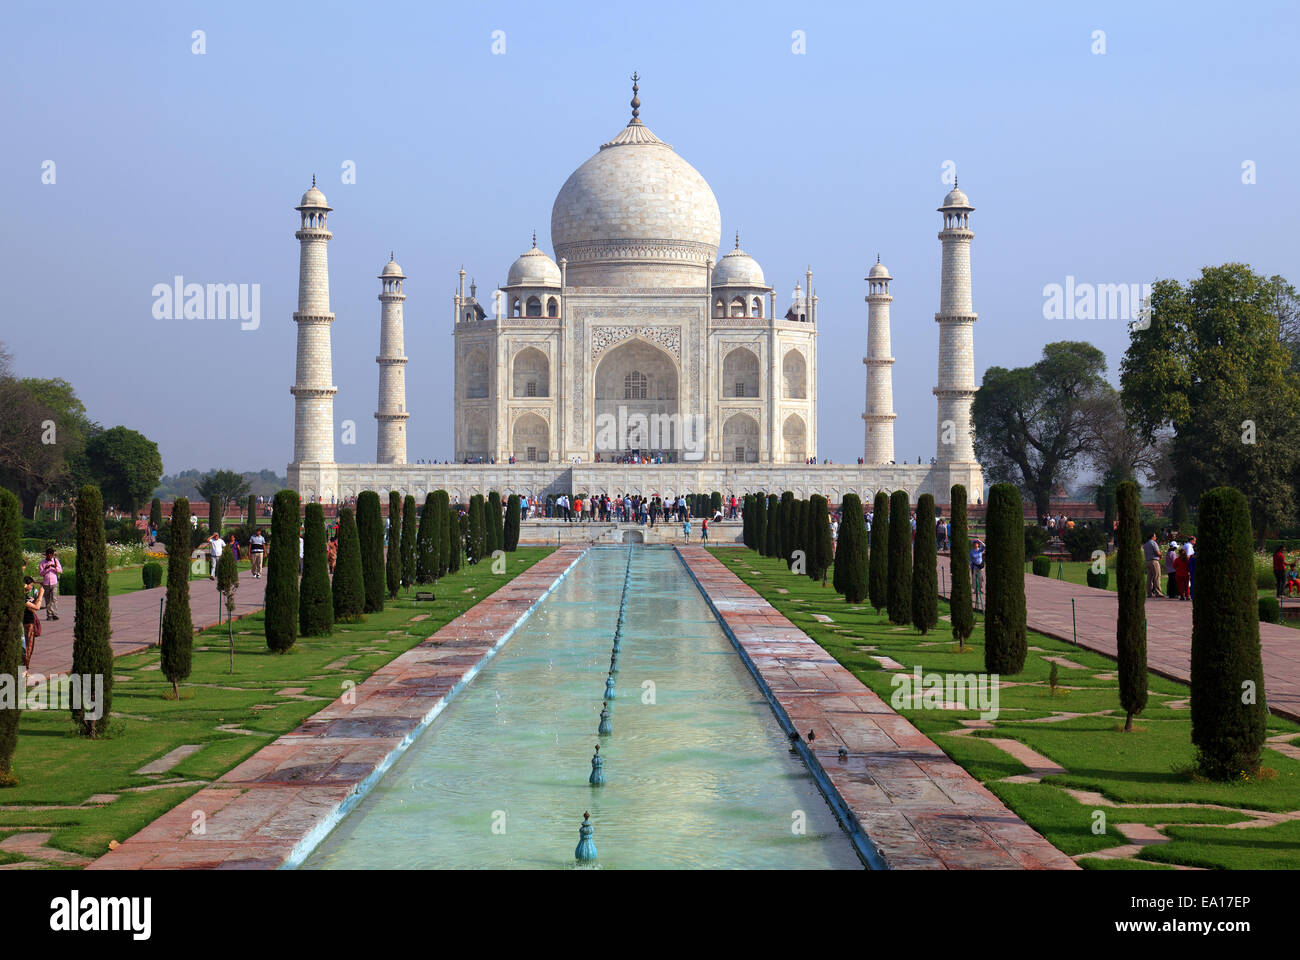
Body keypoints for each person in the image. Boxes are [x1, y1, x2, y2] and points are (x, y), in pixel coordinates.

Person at [22, 576, 43, 671]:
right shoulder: (22, 597)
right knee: (28, 647)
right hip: (27, 623)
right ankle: (25, 669)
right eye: (30, 585)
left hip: (27, 622)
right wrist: (41, 593)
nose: (31, 587)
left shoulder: (25, 596)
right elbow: (37, 607)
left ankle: (24, 668)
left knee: (27, 646)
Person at [39, 547, 62, 621]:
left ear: (52, 555)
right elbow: (41, 574)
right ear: (46, 555)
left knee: (54, 599)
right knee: (48, 599)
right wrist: (46, 568)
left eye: (51, 555)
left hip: (54, 582)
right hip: (46, 583)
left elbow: (60, 571)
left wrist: (55, 567)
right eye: (48, 555)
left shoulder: (55, 561)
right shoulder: (42, 562)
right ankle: (49, 615)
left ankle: (55, 614)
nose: (49, 557)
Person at [1143, 532, 1164, 598]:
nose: (1156, 537)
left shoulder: (1146, 544)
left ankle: (1149, 593)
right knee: (1157, 576)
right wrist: (1161, 555)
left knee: (1149, 578)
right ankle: (1158, 593)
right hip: (1154, 561)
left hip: (1148, 561)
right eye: (1155, 536)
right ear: (1152, 537)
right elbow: (1157, 552)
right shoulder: (1153, 543)